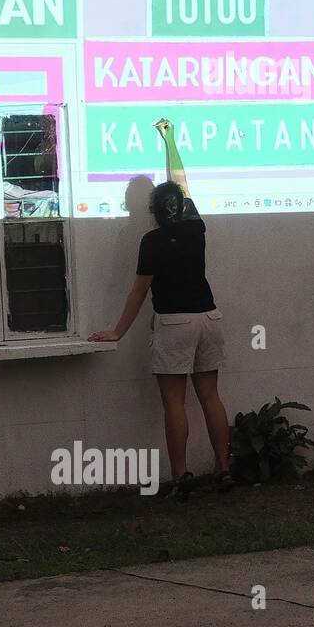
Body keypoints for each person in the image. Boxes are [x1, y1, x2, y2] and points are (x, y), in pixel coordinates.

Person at [89, 119, 234, 500]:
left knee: (174, 402)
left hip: (174, 323)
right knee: (210, 396)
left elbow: (139, 292)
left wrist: (117, 331)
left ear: (152, 210)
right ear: (182, 206)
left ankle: (180, 476)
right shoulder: (195, 229)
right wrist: (169, 138)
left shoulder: (151, 241)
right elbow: (181, 180)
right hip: (209, 318)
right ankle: (223, 469)